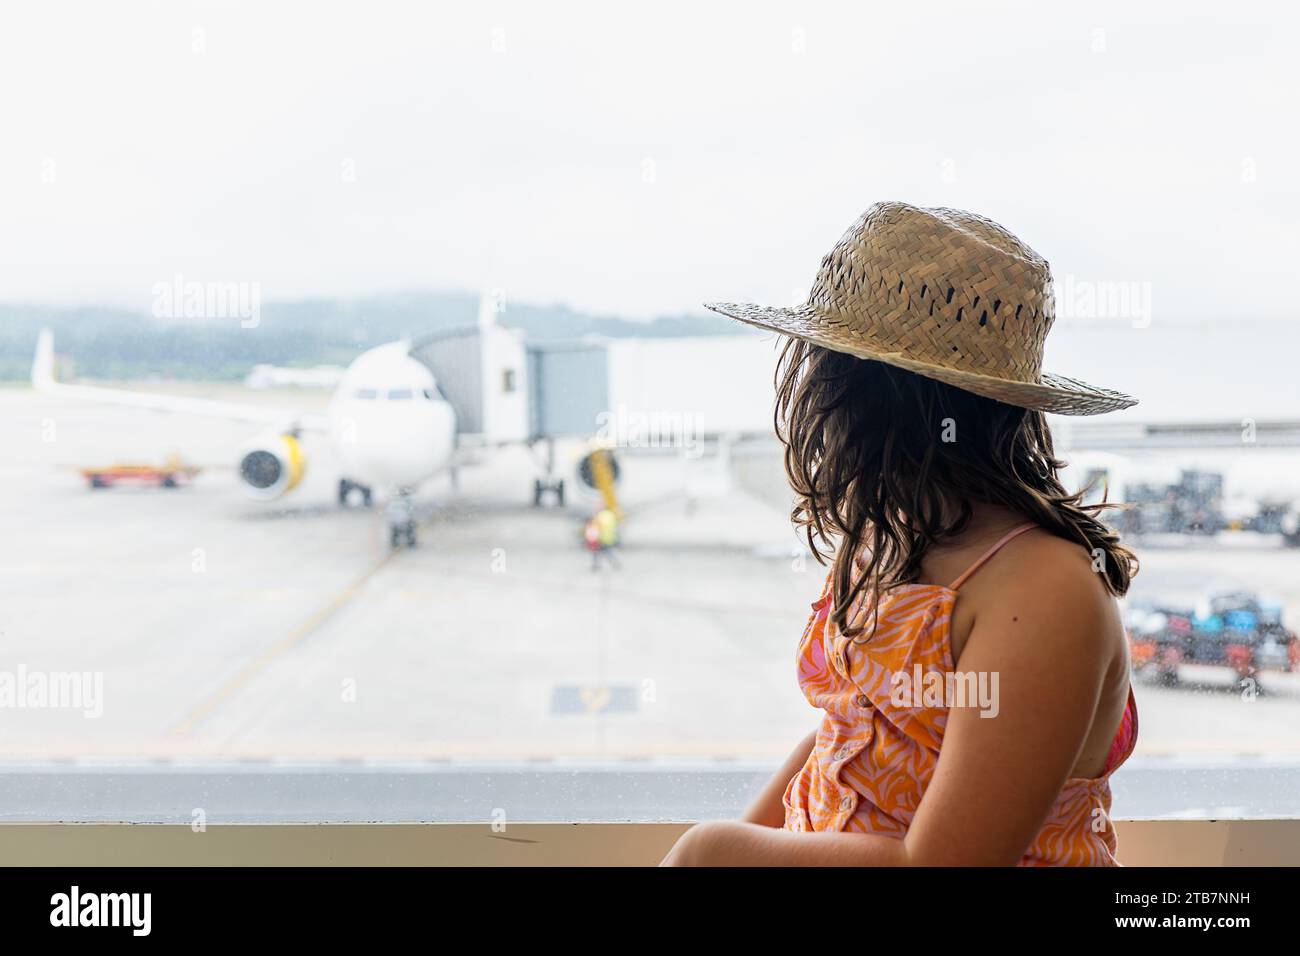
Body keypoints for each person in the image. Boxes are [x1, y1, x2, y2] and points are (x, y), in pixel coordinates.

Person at [661, 202, 1140, 866]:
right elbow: (842, 737)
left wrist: (712, 854)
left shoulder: (1047, 590)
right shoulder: (890, 540)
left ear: (858, 398)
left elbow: (942, 866)